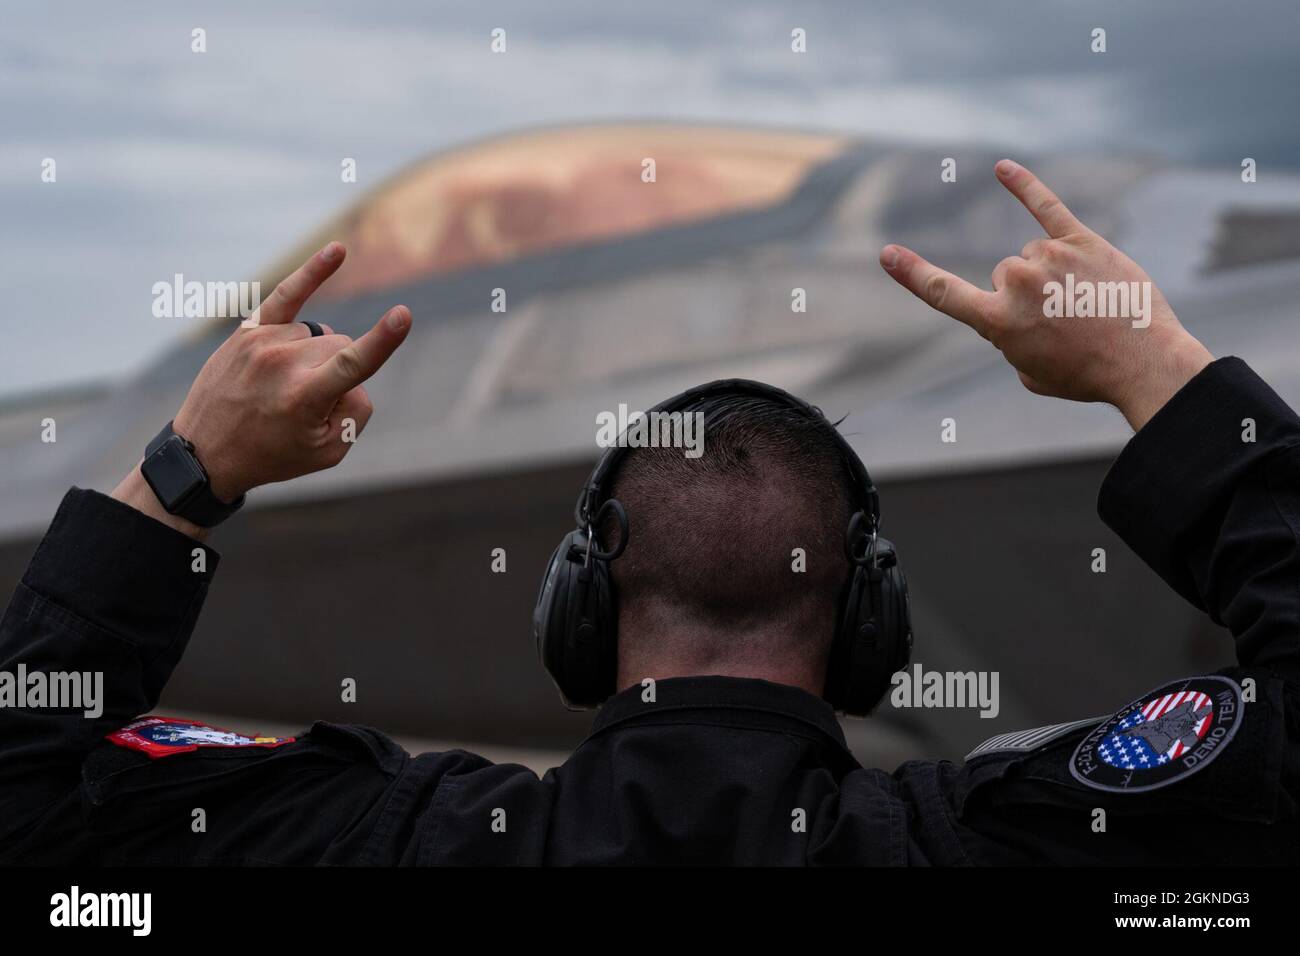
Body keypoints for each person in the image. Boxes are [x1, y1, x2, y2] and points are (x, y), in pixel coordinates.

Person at [1, 161, 1296, 865]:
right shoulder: (1024, 845)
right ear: (869, 616)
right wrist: (1157, 373)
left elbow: (23, 783)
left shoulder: (386, 841)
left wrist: (185, 472)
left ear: (577, 608)